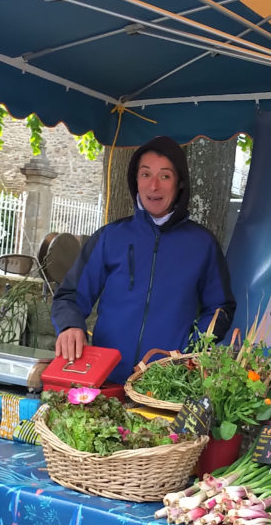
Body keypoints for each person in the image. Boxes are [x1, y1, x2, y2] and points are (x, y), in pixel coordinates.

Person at [52, 135, 235, 383]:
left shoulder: (203, 245)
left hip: (166, 385)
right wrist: (70, 325)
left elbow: (220, 309)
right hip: (105, 380)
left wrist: (189, 353)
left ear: (179, 182)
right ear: (135, 180)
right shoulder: (110, 237)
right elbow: (70, 296)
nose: (154, 186)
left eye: (165, 176)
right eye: (146, 174)